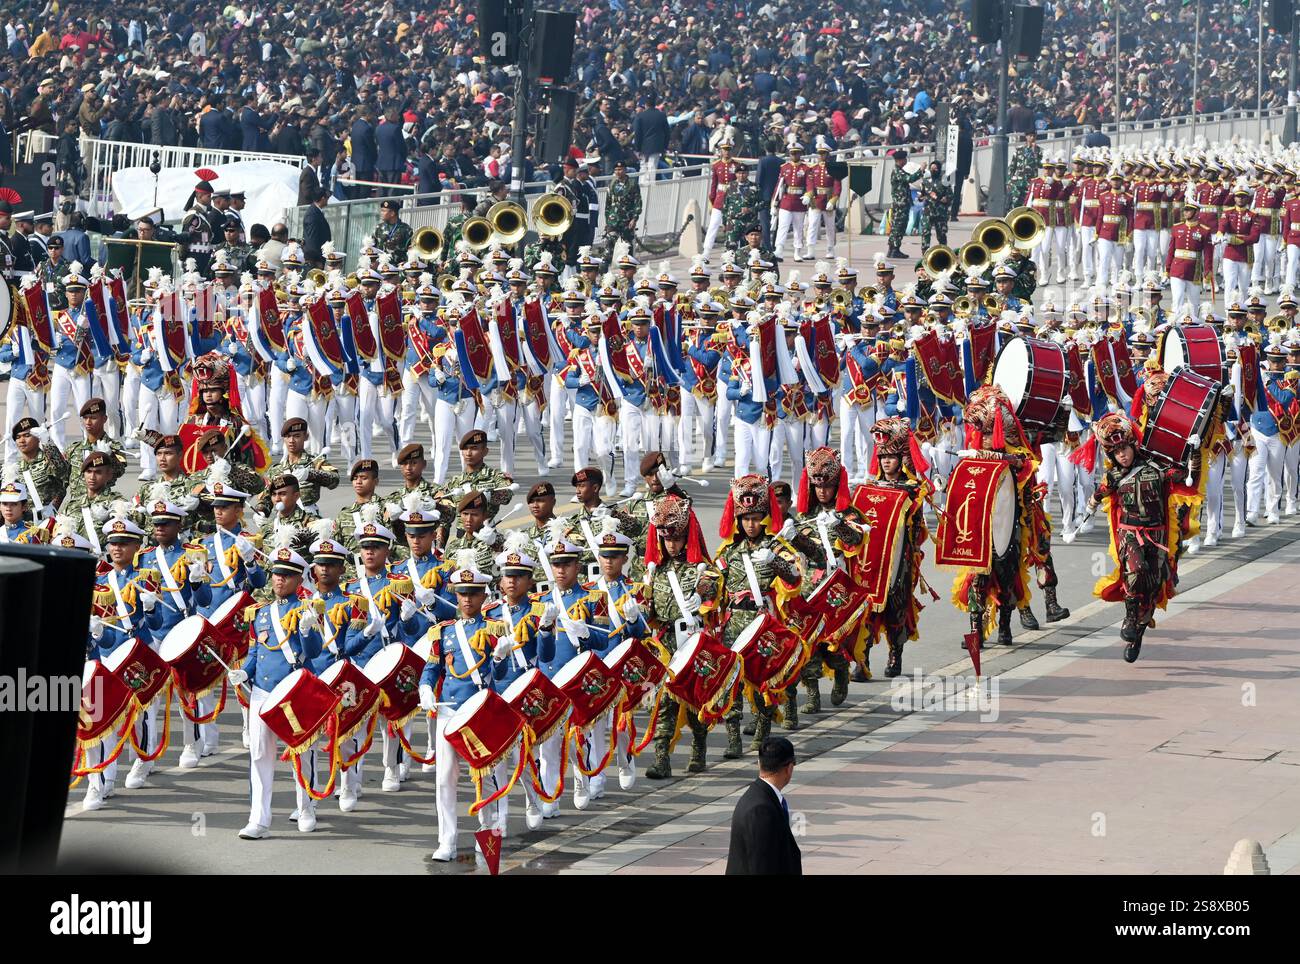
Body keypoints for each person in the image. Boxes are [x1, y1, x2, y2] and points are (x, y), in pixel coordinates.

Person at [725, 736, 802, 876]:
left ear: (759, 764)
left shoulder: (760, 796)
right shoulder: (761, 810)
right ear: (789, 768)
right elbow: (761, 866)